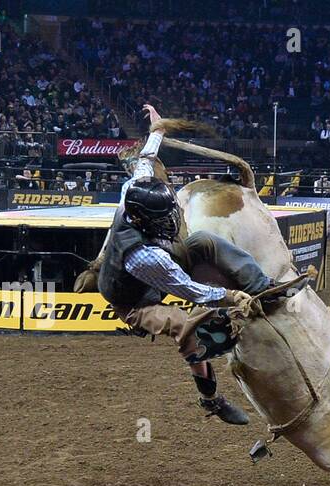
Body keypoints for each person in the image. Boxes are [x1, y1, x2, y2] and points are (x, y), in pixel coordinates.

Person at [98, 104, 303, 426]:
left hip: (151, 265)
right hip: (136, 301)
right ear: (141, 219)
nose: (170, 220)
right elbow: (189, 289)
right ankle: (211, 400)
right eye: (162, 218)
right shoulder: (144, 256)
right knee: (185, 329)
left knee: (205, 239)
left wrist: (158, 129)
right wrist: (231, 298)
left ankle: (262, 285)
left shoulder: (135, 191)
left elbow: (146, 160)